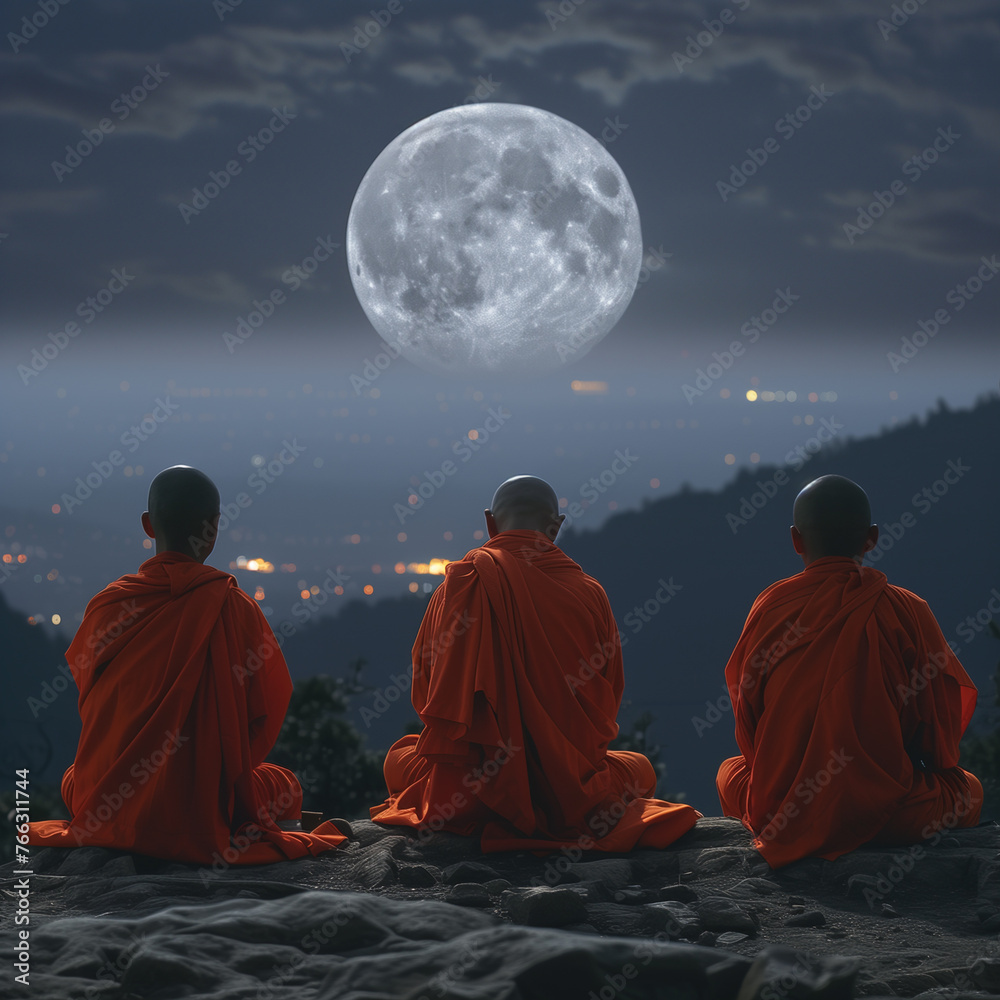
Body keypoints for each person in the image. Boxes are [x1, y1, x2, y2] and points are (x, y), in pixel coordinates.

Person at [28, 466, 345, 864]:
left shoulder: (107, 608)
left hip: (112, 806)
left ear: (148, 525)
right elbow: (263, 716)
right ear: (212, 528)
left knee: (75, 779)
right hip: (200, 808)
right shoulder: (235, 608)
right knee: (284, 785)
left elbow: (95, 705)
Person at [371, 475, 699, 851]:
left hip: (467, 796)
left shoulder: (459, 587)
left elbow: (427, 695)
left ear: (490, 522)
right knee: (639, 769)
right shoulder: (591, 594)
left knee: (399, 758)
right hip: (569, 796)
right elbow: (606, 704)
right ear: (556, 526)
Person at [717, 474, 981, 868]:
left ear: (796, 540)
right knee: (968, 789)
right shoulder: (908, 610)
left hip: (783, 813)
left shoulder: (770, 608)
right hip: (888, 815)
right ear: (872, 537)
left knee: (730, 773)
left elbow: (749, 726)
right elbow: (937, 741)